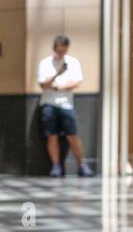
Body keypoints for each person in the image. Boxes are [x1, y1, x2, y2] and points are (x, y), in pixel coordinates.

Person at [36, 35, 92, 177]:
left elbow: (77, 82)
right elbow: (43, 84)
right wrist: (58, 73)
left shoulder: (73, 62)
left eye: (63, 49)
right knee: (52, 136)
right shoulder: (45, 63)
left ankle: (82, 165)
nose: (61, 52)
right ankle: (56, 166)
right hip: (48, 103)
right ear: (55, 48)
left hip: (66, 104)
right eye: (58, 49)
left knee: (72, 135)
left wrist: (59, 87)